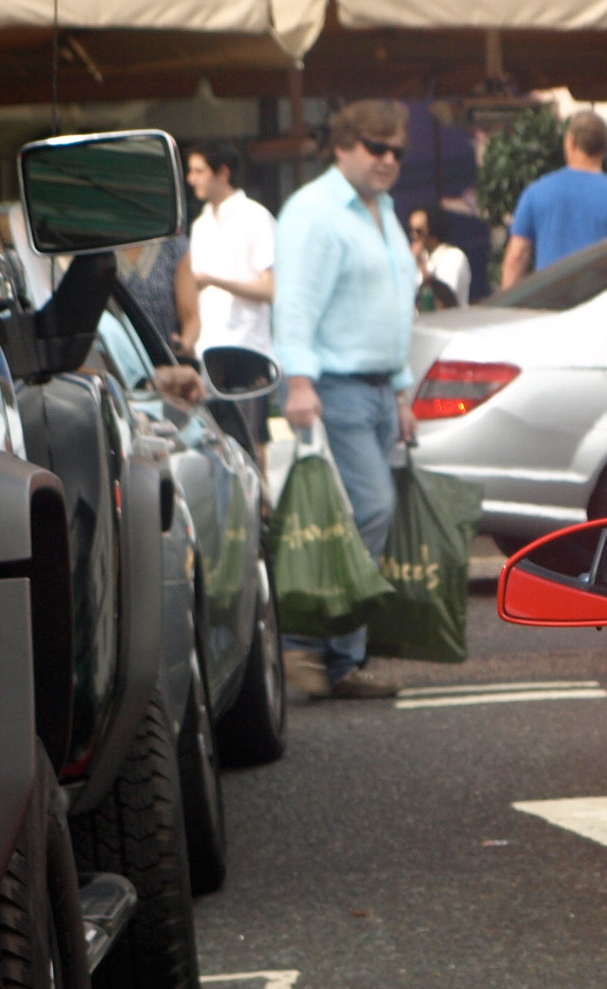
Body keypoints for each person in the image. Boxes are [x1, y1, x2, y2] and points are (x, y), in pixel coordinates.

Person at [273, 99, 420, 701]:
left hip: (378, 388)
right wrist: (299, 382)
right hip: (334, 386)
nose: (388, 160)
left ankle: (333, 654)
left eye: (397, 151)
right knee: (369, 510)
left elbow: (392, 306)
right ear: (341, 146)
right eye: (375, 147)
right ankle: (314, 645)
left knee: (349, 519)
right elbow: (295, 302)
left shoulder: (382, 210)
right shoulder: (314, 211)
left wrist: (403, 390)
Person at [502, 110, 607, 285]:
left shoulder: (535, 193)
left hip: (550, 297)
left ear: (571, 142)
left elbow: (517, 255)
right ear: (605, 147)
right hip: (603, 299)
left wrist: (508, 298)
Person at [175, 142, 276, 357]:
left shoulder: (256, 217)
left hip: (249, 348)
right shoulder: (200, 224)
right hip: (207, 349)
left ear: (223, 173)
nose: (191, 179)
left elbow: (270, 289)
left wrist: (214, 281)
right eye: (191, 171)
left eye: (199, 171)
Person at [407, 207, 471, 309]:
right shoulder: (418, 258)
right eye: (411, 230)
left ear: (433, 231)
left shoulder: (454, 257)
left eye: (419, 231)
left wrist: (421, 267)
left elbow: (444, 300)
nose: (414, 236)